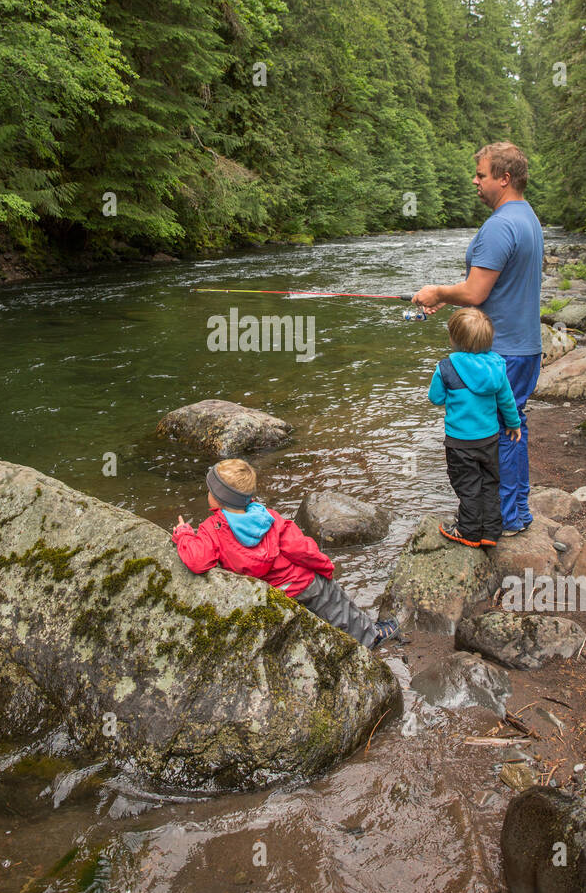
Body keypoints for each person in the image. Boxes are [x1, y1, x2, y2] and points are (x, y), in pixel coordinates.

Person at [411, 142, 543, 536]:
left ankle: (498, 520)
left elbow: (474, 293)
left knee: (498, 434)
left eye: (482, 174)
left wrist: (437, 292)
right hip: (526, 346)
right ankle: (517, 512)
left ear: (504, 179)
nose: (476, 181)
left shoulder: (500, 225)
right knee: (513, 426)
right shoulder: (528, 217)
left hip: (502, 349)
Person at [171, 459, 399, 650]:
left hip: (272, 594)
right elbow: (301, 549)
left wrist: (183, 534)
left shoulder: (211, 530)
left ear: (219, 498)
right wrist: (325, 567)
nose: (208, 492)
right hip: (301, 583)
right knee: (335, 599)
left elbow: (198, 560)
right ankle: (371, 636)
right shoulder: (267, 517)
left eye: (210, 490)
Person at [428, 307, 521, 547]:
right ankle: (491, 532)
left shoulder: (446, 367)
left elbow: (435, 398)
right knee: (489, 482)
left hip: (460, 442)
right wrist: (513, 424)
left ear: (454, 339)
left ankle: (468, 531)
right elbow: (507, 401)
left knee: (467, 484)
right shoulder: (497, 365)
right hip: (489, 439)